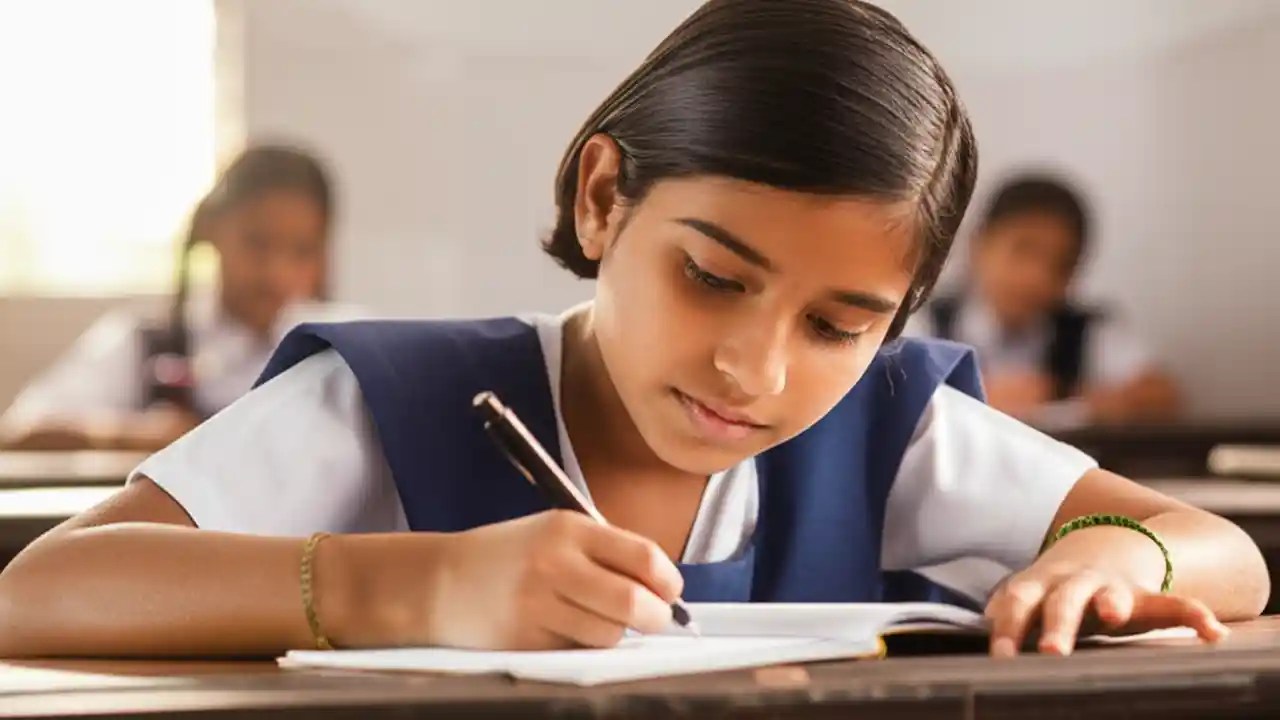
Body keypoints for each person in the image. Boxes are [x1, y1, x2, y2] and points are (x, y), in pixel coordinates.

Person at [0, 0, 1264, 661]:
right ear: (603, 197)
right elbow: (44, 593)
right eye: (713, 277)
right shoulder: (401, 394)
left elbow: (1211, 550)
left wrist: (1113, 565)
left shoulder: (893, 423)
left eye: (838, 321)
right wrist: (418, 585)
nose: (753, 368)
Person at [0, 145, 351, 451]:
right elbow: (20, 429)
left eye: (301, 250)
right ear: (210, 230)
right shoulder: (145, 342)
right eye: (257, 243)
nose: (277, 272)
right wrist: (132, 435)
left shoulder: (345, 345)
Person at [911, 175, 1181, 425]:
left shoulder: (1091, 330)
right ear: (977, 244)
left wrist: (1057, 394)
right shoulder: (920, 323)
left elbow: (1161, 396)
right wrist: (976, 395)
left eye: (1061, 264)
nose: (1037, 277)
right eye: (1023, 249)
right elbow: (884, 405)